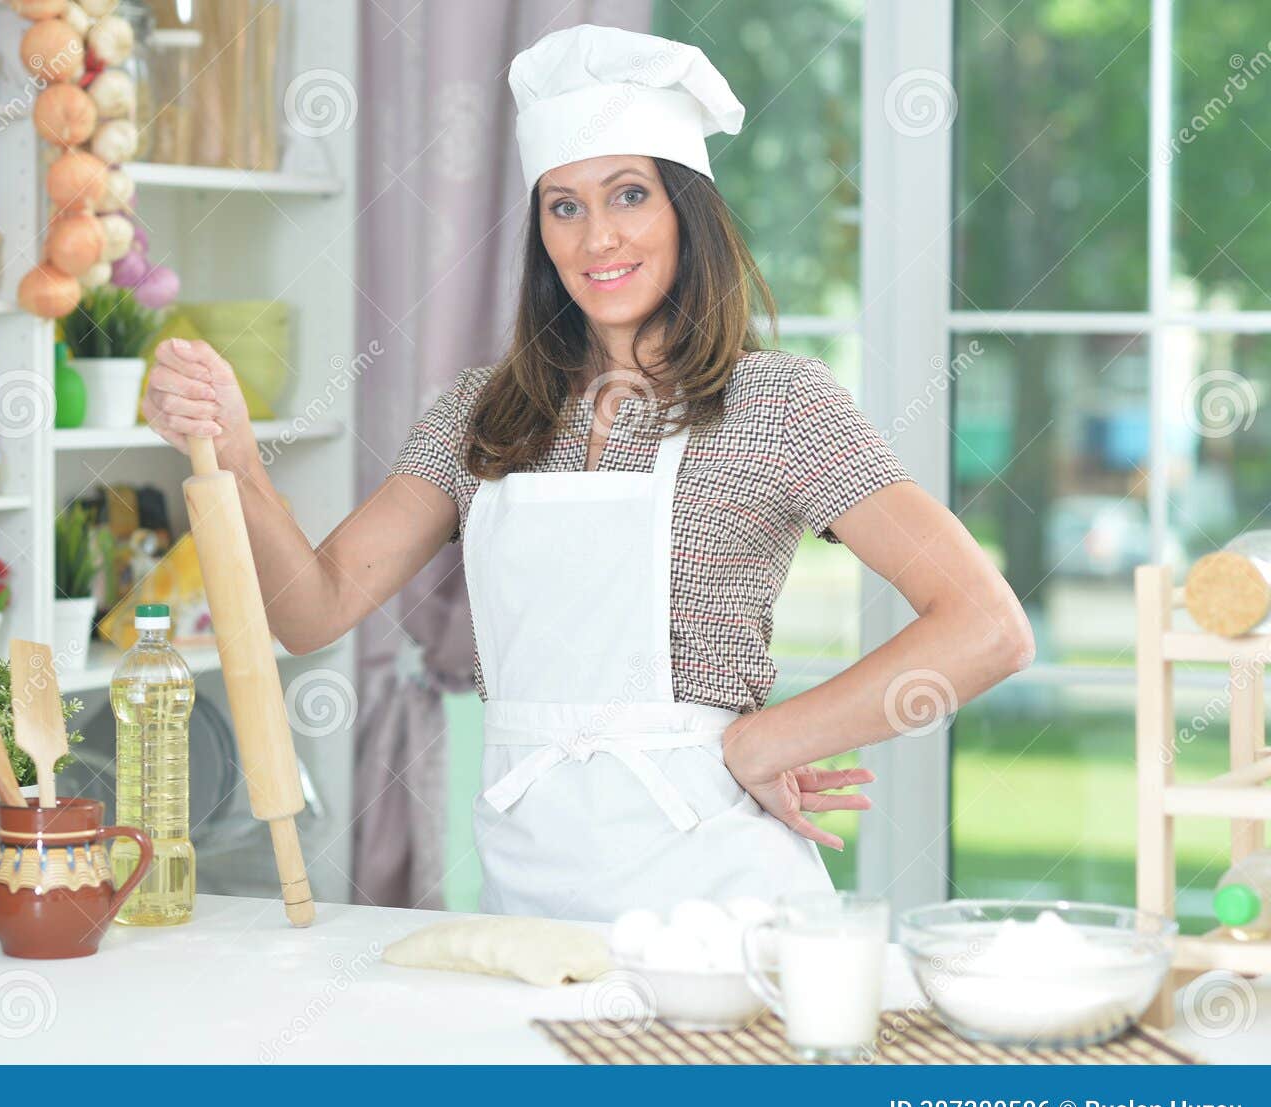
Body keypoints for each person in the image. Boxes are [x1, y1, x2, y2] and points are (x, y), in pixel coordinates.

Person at [142, 25, 1034, 921]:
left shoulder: (781, 406)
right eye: (563, 205)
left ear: (689, 209)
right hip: (527, 895)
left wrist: (766, 740)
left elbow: (987, 626)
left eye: (630, 195)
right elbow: (312, 607)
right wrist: (241, 461)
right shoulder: (480, 417)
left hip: (720, 902)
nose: (598, 236)